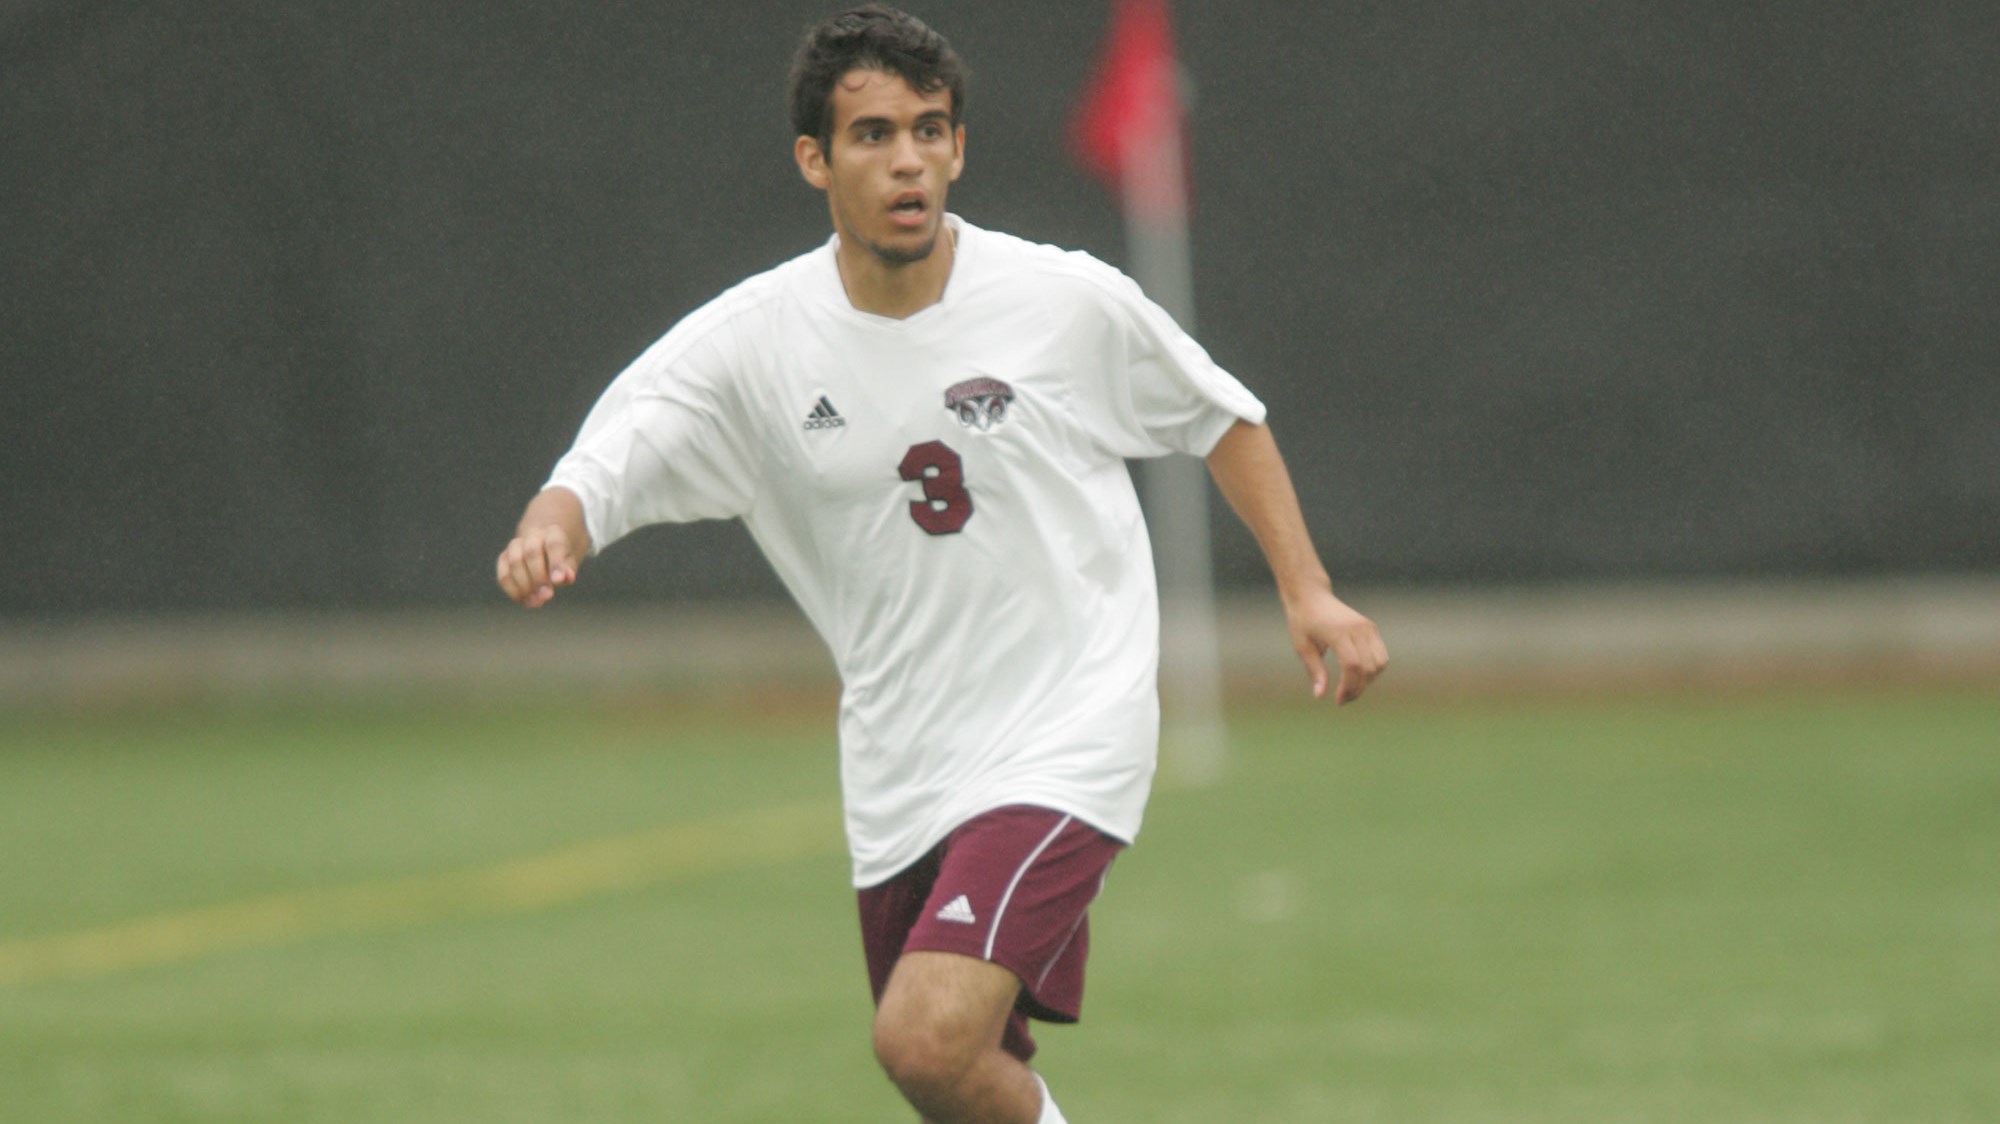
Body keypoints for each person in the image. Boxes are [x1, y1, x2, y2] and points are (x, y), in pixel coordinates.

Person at [495, 6, 1386, 1121]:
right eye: (872, 135)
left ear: (959, 147)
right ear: (814, 160)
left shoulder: (1058, 301)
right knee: (951, 1076)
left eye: (929, 129)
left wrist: (1305, 590)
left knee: (922, 1032)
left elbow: (1223, 418)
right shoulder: (756, 343)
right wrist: (554, 526)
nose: (907, 158)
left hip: (1069, 727)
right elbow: (614, 451)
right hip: (900, 764)